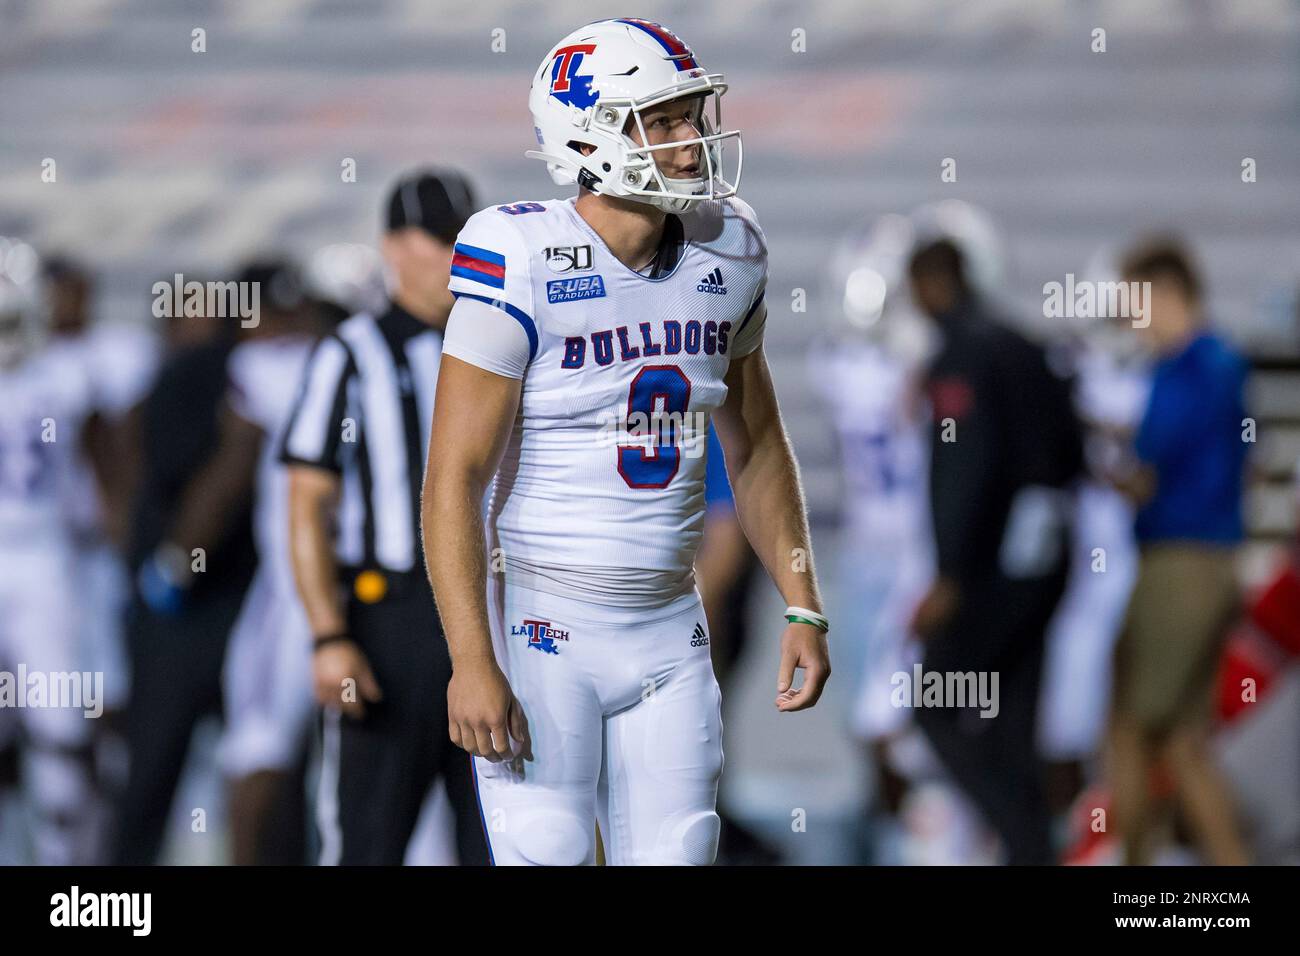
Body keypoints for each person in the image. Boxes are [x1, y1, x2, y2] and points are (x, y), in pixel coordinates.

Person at [422, 18, 831, 867]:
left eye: (693, 113)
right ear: (589, 133)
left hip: (669, 625)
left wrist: (800, 598)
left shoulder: (732, 248)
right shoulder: (521, 254)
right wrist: (470, 656)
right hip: (541, 618)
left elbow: (754, 442)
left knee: (682, 852)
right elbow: (453, 478)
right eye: (665, 120)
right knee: (550, 851)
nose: (693, 139)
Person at [281, 170, 488, 866]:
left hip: (491, 617)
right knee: (366, 841)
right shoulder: (351, 354)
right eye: (441, 241)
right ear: (395, 248)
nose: (457, 257)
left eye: (465, 239)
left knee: (506, 838)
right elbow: (307, 501)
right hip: (387, 617)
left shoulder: (502, 349)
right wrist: (328, 635)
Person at [907, 236, 1084, 865]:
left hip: (993, 569)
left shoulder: (962, 355)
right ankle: (1029, 850)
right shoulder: (1026, 346)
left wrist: (951, 573)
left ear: (928, 284)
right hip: (1051, 559)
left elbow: (967, 465)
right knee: (1013, 720)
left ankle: (1027, 842)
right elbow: (1073, 450)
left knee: (933, 702)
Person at [1105, 238, 1251, 866]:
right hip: (1206, 560)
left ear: (1165, 292)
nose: (1132, 322)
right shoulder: (1218, 364)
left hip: (1180, 564)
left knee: (1130, 728)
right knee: (1187, 741)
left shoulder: (1191, 366)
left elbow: (1148, 469)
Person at [0, 271, 99, 864]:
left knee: (60, 729)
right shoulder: (64, 377)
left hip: (45, 558)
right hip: (45, 563)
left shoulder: (64, 375)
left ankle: (71, 875)